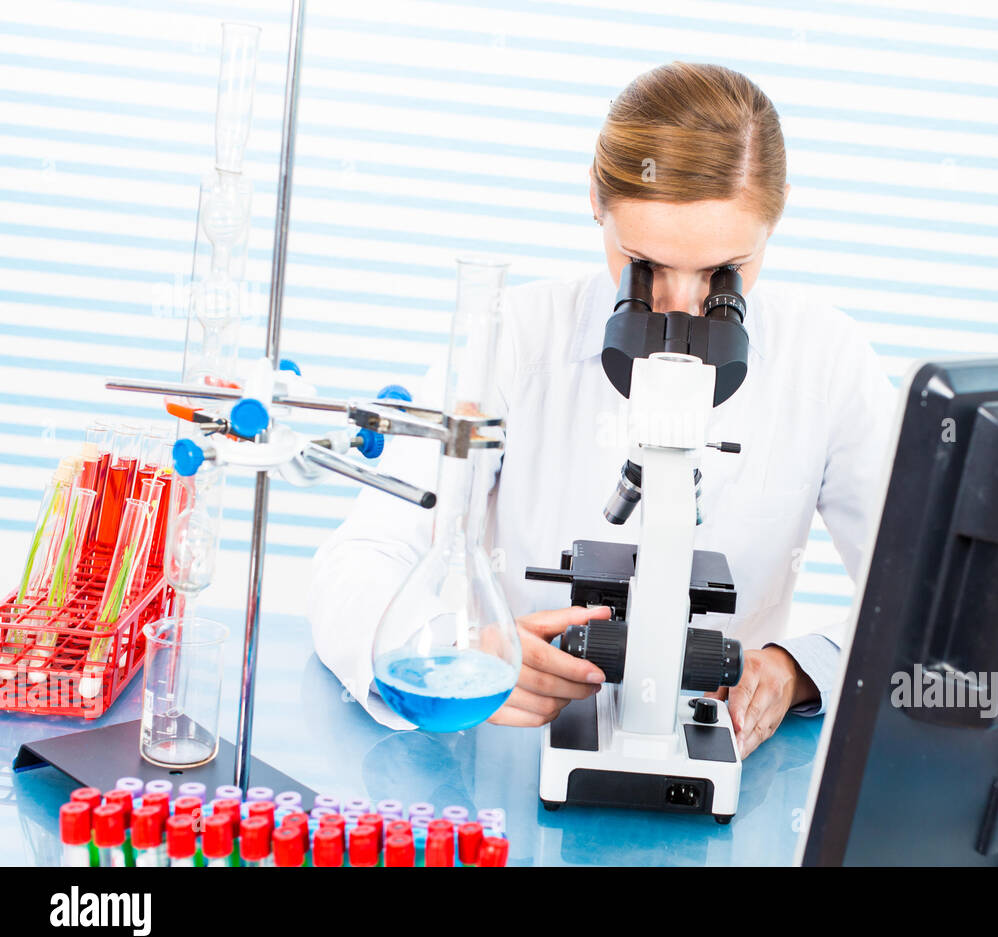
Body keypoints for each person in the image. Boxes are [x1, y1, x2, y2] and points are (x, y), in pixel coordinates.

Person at [307, 61, 896, 758]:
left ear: (778, 214)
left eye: (720, 274)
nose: (680, 309)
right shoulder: (516, 338)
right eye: (643, 263)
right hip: (508, 754)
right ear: (595, 197)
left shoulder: (824, 358)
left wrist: (801, 669)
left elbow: (930, 599)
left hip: (723, 744)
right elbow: (361, 560)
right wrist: (467, 651)